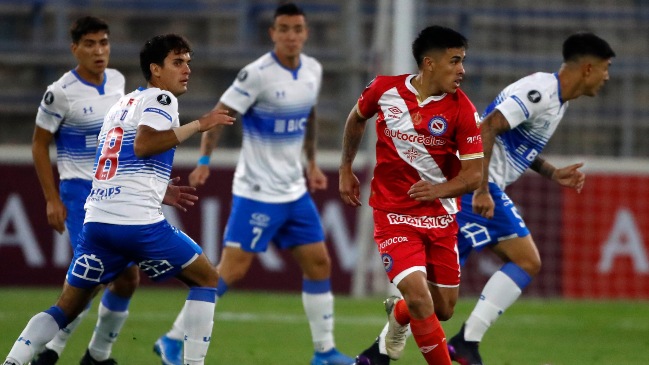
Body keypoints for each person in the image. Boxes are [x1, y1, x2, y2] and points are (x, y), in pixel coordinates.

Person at [354, 32, 615, 365]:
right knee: (521, 262)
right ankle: (459, 344)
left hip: (485, 187)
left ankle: (383, 351)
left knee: (437, 299)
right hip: (477, 186)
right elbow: (488, 126)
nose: (607, 77)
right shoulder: (540, 92)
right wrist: (479, 189)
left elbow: (512, 141)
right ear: (589, 68)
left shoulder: (556, 99)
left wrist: (551, 172)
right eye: (605, 68)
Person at [3, 33, 235, 365]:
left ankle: (14, 360)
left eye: (188, 62)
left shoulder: (120, 104)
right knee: (207, 278)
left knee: (65, 307)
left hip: (97, 222)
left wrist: (158, 188)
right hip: (137, 225)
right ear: (156, 69)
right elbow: (144, 144)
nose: (187, 70)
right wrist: (200, 125)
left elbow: (114, 159)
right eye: (178, 62)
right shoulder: (162, 99)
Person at [153, 3, 355, 365]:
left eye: (297, 29)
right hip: (257, 192)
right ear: (273, 33)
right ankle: (171, 339)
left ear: (305, 33)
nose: (291, 35)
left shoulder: (312, 70)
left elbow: (307, 114)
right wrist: (202, 161)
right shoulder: (256, 75)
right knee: (229, 272)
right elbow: (221, 114)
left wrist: (310, 162)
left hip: (294, 190)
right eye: (284, 29)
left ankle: (324, 352)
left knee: (319, 263)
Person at [339, 25, 484, 365]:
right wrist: (346, 168)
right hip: (393, 215)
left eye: (463, 61)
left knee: (442, 309)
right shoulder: (383, 89)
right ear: (429, 63)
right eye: (455, 61)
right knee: (421, 299)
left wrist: (438, 190)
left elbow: (474, 176)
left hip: (441, 215)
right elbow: (356, 118)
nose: (462, 70)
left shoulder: (463, 111)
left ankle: (398, 317)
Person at [30, 16, 140, 365]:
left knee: (127, 279)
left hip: (114, 191)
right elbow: (38, 144)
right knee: (92, 273)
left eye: (104, 43)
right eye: (90, 44)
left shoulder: (118, 82)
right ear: (74, 48)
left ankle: (96, 355)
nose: (99, 51)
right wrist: (52, 198)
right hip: (79, 195)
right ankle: (48, 351)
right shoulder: (60, 92)